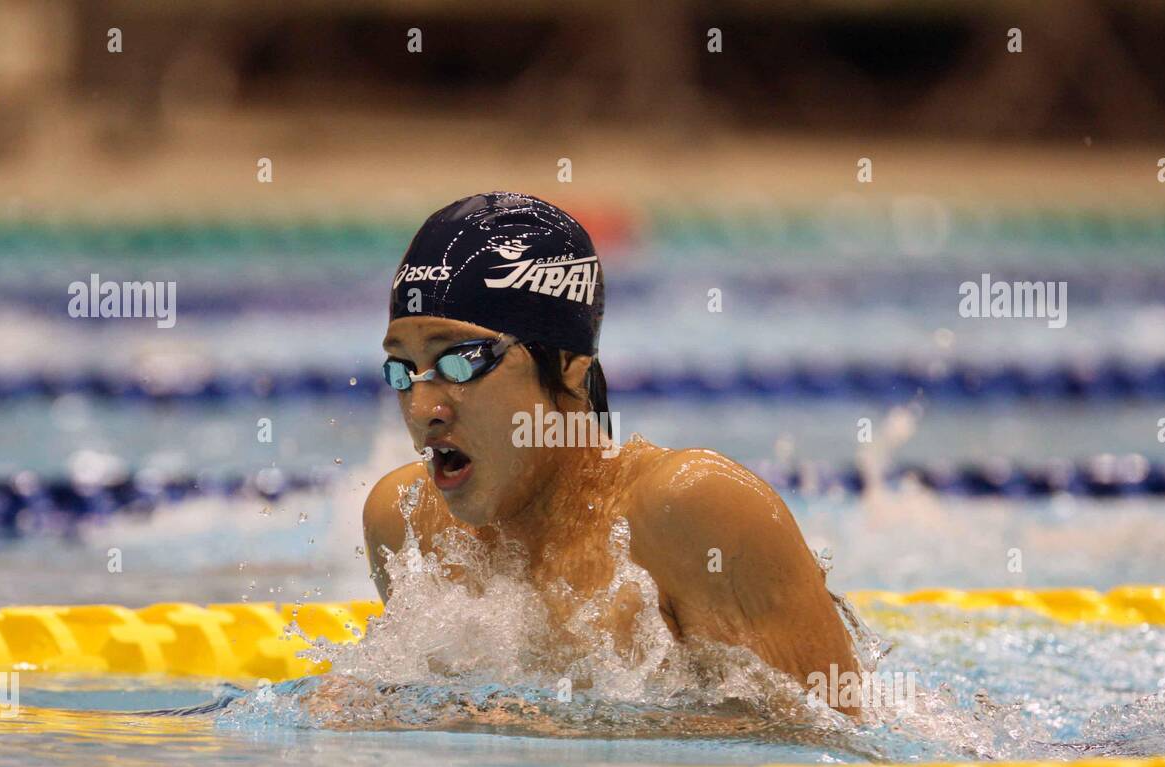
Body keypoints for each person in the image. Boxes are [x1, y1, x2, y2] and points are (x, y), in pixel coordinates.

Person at [363, 192, 860, 712]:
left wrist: (551, 725)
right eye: (402, 369)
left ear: (571, 368)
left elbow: (832, 746)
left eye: (460, 363)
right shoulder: (405, 523)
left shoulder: (691, 510)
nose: (422, 409)